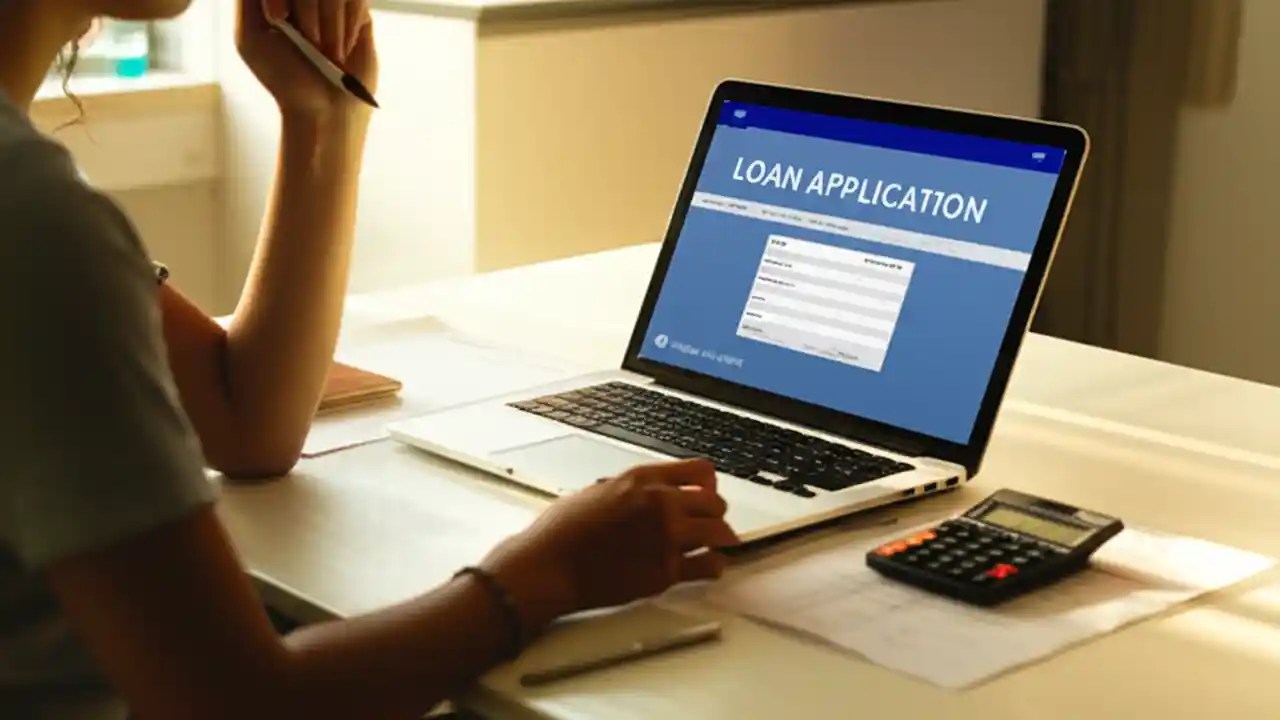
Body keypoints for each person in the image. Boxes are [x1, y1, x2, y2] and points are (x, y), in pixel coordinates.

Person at [0, 1, 738, 717]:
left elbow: (245, 418)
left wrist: (325, 116)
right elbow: (236, 705)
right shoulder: (35, 221)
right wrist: (552, 571)